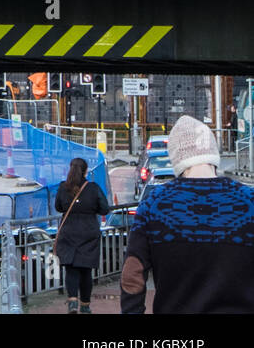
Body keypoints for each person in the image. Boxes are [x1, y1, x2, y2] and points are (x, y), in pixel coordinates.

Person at [122, 115, 254, 314]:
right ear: (213, 153)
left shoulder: (154, 204)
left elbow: (133, 274)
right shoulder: (249, 201)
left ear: (178, 159)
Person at [54, 157, 111, 313]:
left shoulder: (63, 187)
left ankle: (72, 300)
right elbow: (105, 209)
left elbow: (58, 207)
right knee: (86, 271)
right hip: (88, 233)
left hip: (68, 232)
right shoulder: (93, 188)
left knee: (71, 269)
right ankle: (85, 306)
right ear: (86, 171)